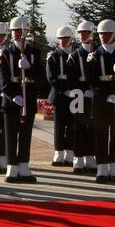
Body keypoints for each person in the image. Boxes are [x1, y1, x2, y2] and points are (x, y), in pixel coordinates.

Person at [0, 16, 41, 184]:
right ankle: (11, 168)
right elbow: (2, 78)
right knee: (10, 135)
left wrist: (29, 67)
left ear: (26, 31)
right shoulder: (6, 53)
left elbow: (39, 76)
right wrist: (12, 95)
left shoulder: (34, 53)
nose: (16, 33)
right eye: (14, 31)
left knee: (25, 135)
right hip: (11, 100)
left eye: (19, 30)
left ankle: (24, 167)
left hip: (28, 99)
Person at [85, 19, 115, 184]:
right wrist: (106, 95)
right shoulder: (94, 55)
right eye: (101, 34)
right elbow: (92, 80)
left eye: (107, 34)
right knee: (101, 134)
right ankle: (102, 168)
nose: (103, 37)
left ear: (114, 35)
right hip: (102, 101)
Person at [46, 25, 76, 167]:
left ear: (71, 39)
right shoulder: (53, 56)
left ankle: (70, 152)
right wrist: (65, 89)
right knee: (59, 125)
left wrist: (72, 89)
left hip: (75, 96)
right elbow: (51, 78)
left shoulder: (76, 55)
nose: (62, 41)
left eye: (65, 38)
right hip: (59, 95)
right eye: (60, 38)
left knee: (72, 124)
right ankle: (58, 152)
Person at [69, 21, 97, 175]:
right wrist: (80, 90)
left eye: (85, 33)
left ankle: (90, 156)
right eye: (80, 33)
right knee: (79, 127)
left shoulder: (97, 53)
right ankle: (78, 158)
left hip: (93, 95)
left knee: (92, 125)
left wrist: (94, 90)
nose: (82, 35)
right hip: (78, 95)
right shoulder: (74, 55)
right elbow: (71, 78)